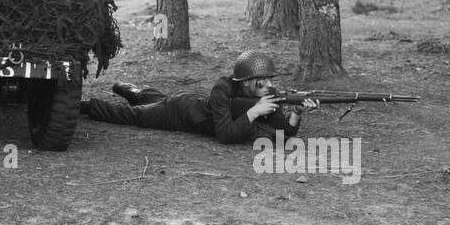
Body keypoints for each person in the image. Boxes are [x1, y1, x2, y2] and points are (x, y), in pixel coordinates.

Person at [80, 49, 311, 144]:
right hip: (178, 113)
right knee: (131, 115)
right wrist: (254, 112)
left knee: (149, 97)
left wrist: (296, 114)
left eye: (270, 79)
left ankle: (128, 88)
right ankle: (86, 105)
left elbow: (284, 134)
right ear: (248, 81)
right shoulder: (223, 89)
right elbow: (224, 134)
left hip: (186, 101)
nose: (270, 85)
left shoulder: (266, 94)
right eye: (264, 80)